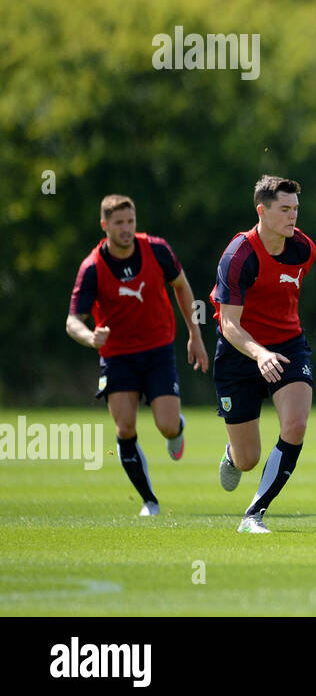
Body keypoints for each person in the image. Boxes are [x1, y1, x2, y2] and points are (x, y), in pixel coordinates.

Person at [66, 195, 209, 516]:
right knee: (125, 428)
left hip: (158, 350)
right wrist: (90, 338)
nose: (127, 228)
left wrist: (195, 335)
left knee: (168, 426)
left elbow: (182, 286)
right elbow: (72, 321)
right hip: (117, 356)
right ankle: (150, 501)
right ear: (105, 226)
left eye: (130, 221)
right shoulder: (92, 268)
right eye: (118, 223)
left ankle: (178, 429)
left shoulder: (156, 249)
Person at [210, 175, 316, 533]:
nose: (293, 217)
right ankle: (231, 455)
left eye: (296, 209)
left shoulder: (304, 250)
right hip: (241, 351)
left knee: (296, 425)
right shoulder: (238, 255)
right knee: (247, 459)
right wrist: (259, 353)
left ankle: (253, 514)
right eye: (284, 209)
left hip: (288, 346)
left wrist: (273, 350)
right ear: (262, 211)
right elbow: (229, 324)